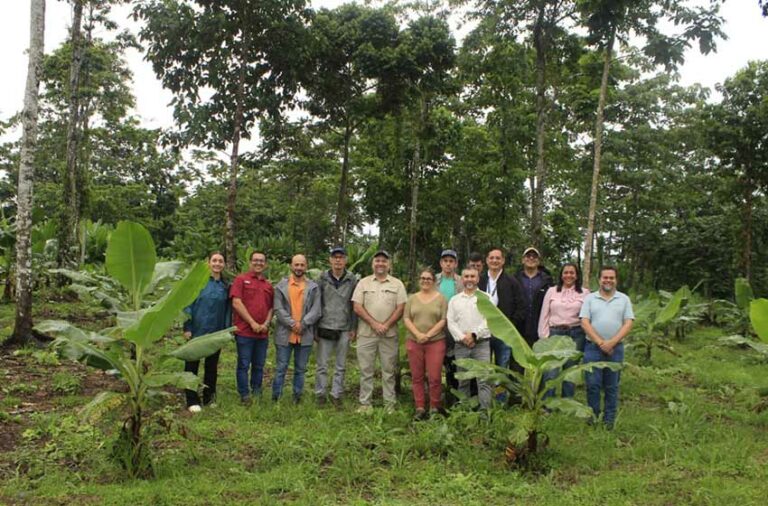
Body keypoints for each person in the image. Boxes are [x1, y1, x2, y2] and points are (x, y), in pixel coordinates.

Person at [352, 250, 407, 414]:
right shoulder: (363, 283)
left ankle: (389, 404)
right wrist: (375, 324)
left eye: (384, 261)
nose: (380, 263)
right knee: (365, 370)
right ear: (372, 264)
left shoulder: (397, 284)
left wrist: (386, 325)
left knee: (388, 371)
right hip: (366, 334)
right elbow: (357, 306)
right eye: (377, 261)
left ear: (389, 264)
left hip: (388, 335)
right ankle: (365, 403)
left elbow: (401, 307)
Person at [579, 266, 634, 429]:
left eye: (611, 277)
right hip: (592, 348)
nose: (608, 280)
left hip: (616, 349)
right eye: (605, 277)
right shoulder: (590, 298)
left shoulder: (624, 299)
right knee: (593, 384)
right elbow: (584, 321)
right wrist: (601, 342)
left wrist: (612, 342)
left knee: (612, 386)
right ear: (599, 279)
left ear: (616, 280)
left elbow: (628, 322)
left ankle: (609, 420)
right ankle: (593, 417)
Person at [182, 252, 231, 413]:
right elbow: (187, 305)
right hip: (197, 331)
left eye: (220, 261)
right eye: (214, 260)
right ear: (208, 263)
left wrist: (225, 332)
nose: (217, 264)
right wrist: (187, 327)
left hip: (215, 332)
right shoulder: (198, 283)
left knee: (211, 367)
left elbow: (227, 311)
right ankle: (191, 399)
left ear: (223, 265)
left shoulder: (225, 286)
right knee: (191, 366)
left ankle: (209, 397)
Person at [272, 254, 322, 403]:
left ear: (306, 266)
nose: (299, 268)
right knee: (281, 368)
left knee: (300, 369)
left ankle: (297, 397)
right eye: (296, 265)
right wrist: (293, 324)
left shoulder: (313, 287)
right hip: (284, 334)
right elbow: (278, 309)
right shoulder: (281, 286)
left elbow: (316, 309)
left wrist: (303, 323)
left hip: (305, 334)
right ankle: (276, 397)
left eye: (302, 265)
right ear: (291, 266)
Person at [538, 262, 590, 398]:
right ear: (561, 275)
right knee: (551, 370)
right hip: (554, 332)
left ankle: (566, 403)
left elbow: (588, 316)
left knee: (570, 370)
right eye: (566, 272)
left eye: (572, 273)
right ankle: (547, 404)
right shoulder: (552, 291)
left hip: (576, 333)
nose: (568, 275)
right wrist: (544, 336)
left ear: (577, 275)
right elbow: (544, 314)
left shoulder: (585, 293)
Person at [315, 247, 358, 408]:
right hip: (325, 325)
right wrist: (315, 328)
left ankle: (336, 394)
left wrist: (354, 327)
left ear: (345, 260)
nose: (338, 260)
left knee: (341, 365)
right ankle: (320, 393)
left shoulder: (352, 279)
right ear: (330, 260)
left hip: (344, 327)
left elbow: (354, 305)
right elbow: (317, 304)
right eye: (335, 257)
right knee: (322, 365)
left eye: (341, 257)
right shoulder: (322, 278)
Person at [403, 268, 448, 420]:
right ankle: (420, 407)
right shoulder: (412, 298)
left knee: (435, 377)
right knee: (417, 376)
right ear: (419, 280)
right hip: (414, 341)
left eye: (428, 278)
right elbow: (406, 318)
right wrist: (418, 335)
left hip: (435, 341)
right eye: (422, 278)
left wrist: (428, 335)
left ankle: (434, 406)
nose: (425, 281)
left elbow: (443, 320)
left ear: (434, 281)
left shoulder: (441, 299)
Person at [231, 251, 274, 404]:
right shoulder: (241, 280)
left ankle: (256, 392)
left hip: (262, 333)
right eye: (255, 260)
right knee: (243, 364)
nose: (258, 263)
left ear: (266, 264)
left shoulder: (268, 285)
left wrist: (266, 324)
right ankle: (244, 395)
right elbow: (236, 302)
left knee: (259, 365)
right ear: (250, 262)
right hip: (244, 331)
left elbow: (271, 307)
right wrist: (252, 323)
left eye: (262, 261)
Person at [446, 267, 492, 409]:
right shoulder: (454, 300)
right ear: (462, 279)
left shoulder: (486, 297)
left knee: (484, 381)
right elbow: (450, 321)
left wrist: (474, 335)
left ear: (478, 279)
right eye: (466, 276)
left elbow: (489, 319)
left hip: (481, 344)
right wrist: (463, 337)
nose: (469, 279)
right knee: (463, 381)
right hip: (461, 345)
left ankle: (485, 414)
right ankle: (464, 413)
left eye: (473, 276)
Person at [478, 248, 525, 371]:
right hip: (483, 332)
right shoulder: (480, 281)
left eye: (498, 258)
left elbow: (521, 307)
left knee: (502, 369)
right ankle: (485, 391)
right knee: (484, 368)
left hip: (503, 334)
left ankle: (501, 391)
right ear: (487, 260)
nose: (494, 260)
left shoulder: (512, 282)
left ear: (503, 261)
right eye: (492, 258)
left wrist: (510, 325)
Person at [435, 249, 463, 406]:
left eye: (451, 261)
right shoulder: (433, 281)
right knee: (437, 363)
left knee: (453, 363)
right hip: (436, 328)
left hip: (455, 329)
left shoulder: (460, 281)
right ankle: (436, 399)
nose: (448, 263)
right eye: (445, 260)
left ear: (456, 264)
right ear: (441, 263)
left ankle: (454, 397)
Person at [514, 247, 554, 347]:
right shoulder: (514, 279)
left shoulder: (547, 281)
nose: (531, 258)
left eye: (534, 256)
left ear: (539, 261)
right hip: (519, 328)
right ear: (523, 260)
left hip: (540, 326)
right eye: (528, 256)